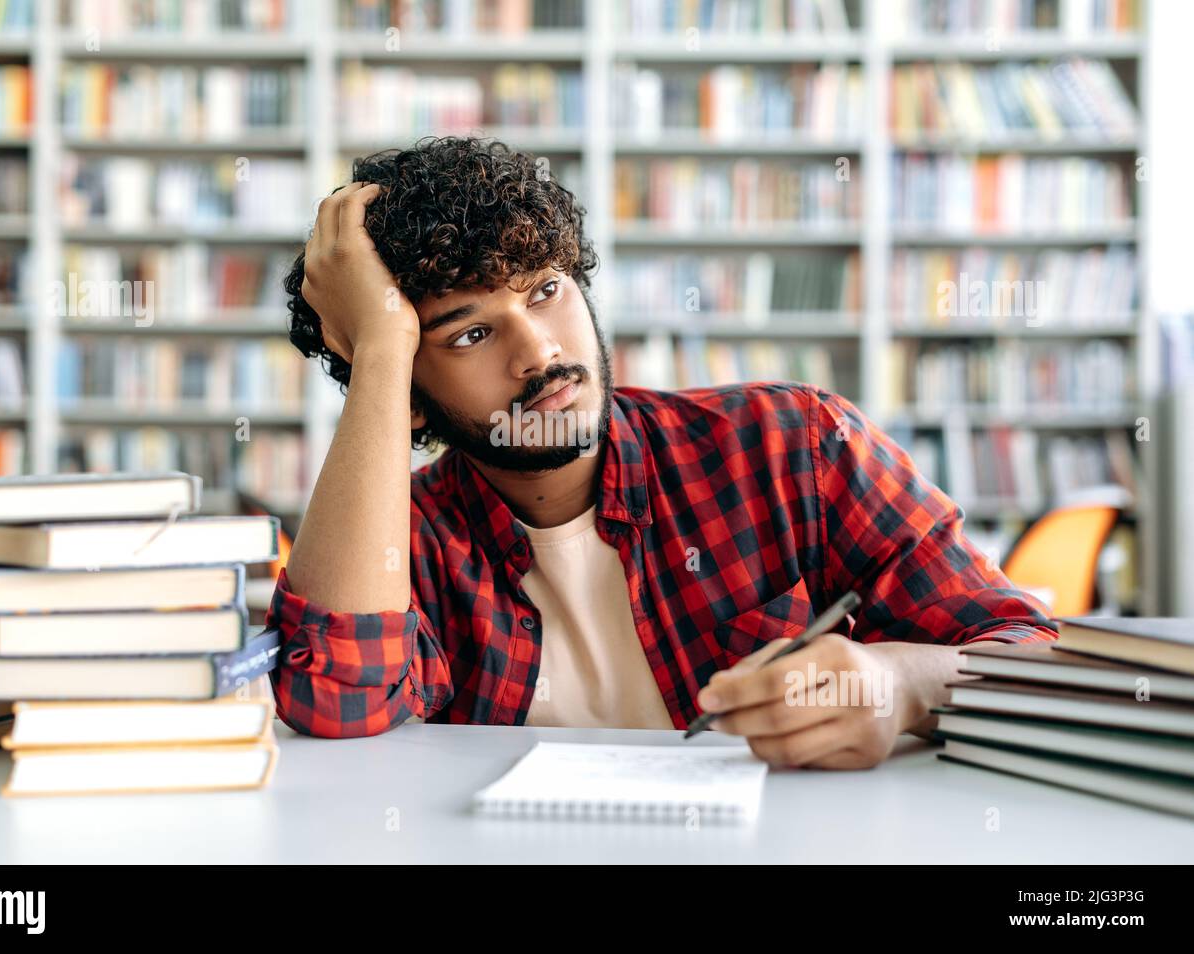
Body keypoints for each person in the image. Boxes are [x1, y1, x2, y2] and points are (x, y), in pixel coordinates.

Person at [271, 136, 1055, 769]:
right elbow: (340, 702)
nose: (538, 353)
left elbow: (1035, 657)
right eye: (471, 334)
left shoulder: (794, 446)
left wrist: (901, 683)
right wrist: (379, 348)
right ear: (408, 391)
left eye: (546, 290)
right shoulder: (401, 545)